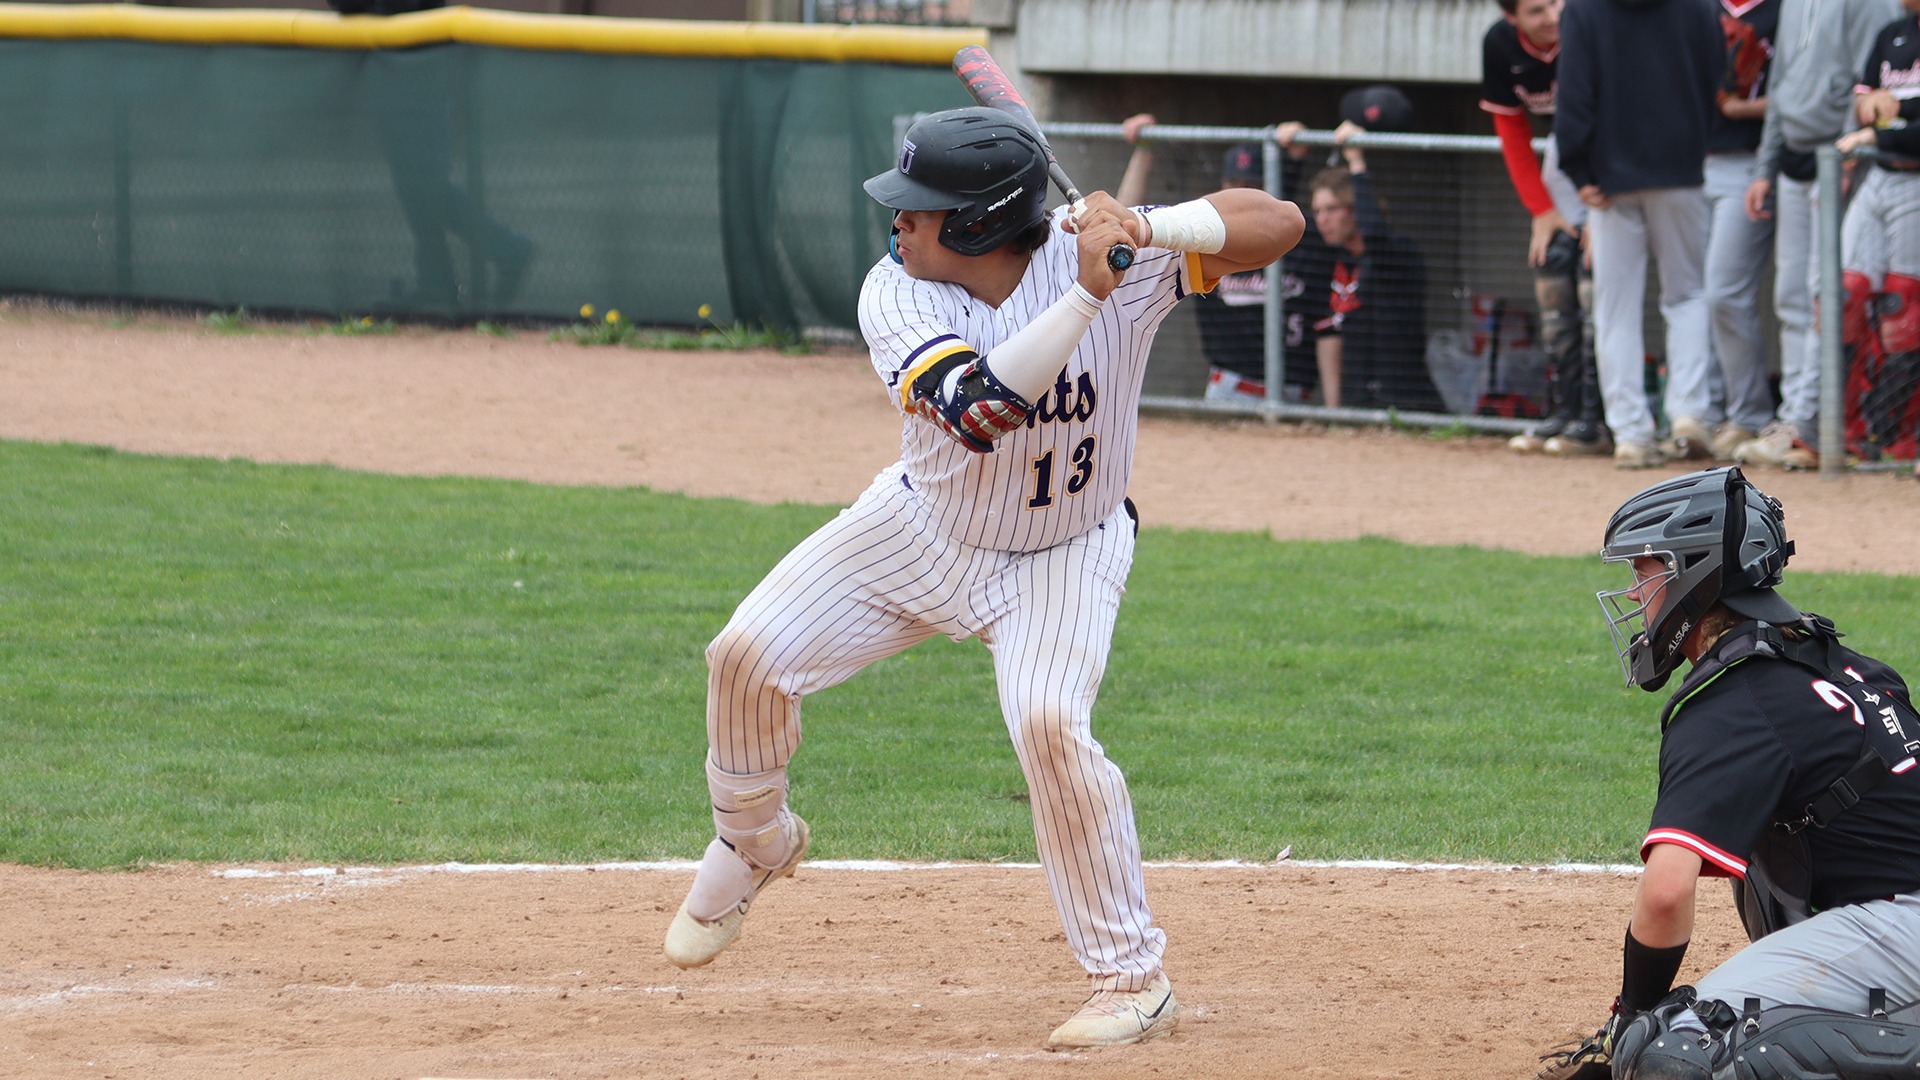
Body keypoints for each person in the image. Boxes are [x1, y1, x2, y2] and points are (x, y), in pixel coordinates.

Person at [660, 106, 1303, 1050]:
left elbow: (1278, 223)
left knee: (1050, 723)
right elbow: (976, 411)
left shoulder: (1115, 255)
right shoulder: (897, 291)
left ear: (977, 224)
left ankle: (1132, 980)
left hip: (1066, 552)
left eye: (920, 208)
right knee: (744, 656)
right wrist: (1085, 296)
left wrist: (1148, 226)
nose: (898, 220)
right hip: (926, 526)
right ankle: (754, 841)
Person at [1535, 465, 1920, 1080]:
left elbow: (1666, 892)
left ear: (1692, 572)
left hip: (1903, 931)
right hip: (1897, 925)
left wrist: (1631, 1018)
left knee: (1677, 1046)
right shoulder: (1843, 665)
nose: (1634, 594)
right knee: (1763, 857)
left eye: (1644, 570)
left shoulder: (1734, 702)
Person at [1731, 0, 1900, 471]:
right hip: (1794, 157)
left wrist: (1845, 157)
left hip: (1836, 159)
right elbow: (1781, 83)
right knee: (1791, 295)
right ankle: (1795, 418)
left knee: (1824, 294)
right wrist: (1765, 167)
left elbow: (1867, 83)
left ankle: (1812, 423)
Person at [1556, 0, 1723, 468]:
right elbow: (1715, 73)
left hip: (1609, 179)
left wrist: (1578, 168)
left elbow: (1574, 90)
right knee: (1687, 294)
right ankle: (1688, 413)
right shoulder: (1700, 5)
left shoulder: (1584, 9)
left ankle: (1631, 433)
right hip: (1680, 171)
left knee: (1616, 309)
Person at [1114, 119, 1323, 404]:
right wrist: (1143, 151)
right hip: (1229, 390)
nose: (1243, 191)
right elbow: (1123, 229)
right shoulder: (1205, 239)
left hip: (1295, 396)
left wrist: (1295, 159)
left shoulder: (1300, 240)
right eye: (1235, 184)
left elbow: (1278, 214)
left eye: (1253, 184)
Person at [1481, 0, 1610, 456]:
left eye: (1556, 2)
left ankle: (1597, 420)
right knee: (1554, 273)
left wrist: (1602, 213)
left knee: (1595, 288)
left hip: (1612, 155)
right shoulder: (1500, 43)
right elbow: (1511, 129)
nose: (1554, 16)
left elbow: (1619, 113)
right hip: (1563, 153)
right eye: (1537, 10)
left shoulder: (1588, 23)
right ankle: (1564, 411)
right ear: (1512, 17)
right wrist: (1541, 210)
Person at [1275, 117, 1443, 413]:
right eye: (1317, 211)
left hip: (1406, 403)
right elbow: (1278, 224)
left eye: (1331, 209)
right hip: (1356, 403)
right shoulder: (1331, 256)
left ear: (1356, 210)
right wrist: (1293, 161)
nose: (1322, 219)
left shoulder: (1398, 251)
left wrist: (1356, 162)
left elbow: (1374, 235)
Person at [1835, 0, 1920, 468]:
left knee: (1903, 306)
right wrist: (1874, 113)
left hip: (1915, 177)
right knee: (1845, 294)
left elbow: (1886, 117)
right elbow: (1863, 102)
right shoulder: (1892, 32)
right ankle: (1844, 431)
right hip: (1879, 175)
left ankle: (1898, 436)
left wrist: (1894, 114)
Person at [1701, 0, 1782, 462]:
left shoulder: (1785, 11)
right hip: (1692, 163)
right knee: (1693, 298)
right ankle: (1705, 413)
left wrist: (1742, 108)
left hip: (1751, 165)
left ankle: (1748, 414)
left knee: (1724, 291)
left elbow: (1799, 95)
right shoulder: (1698, 9)